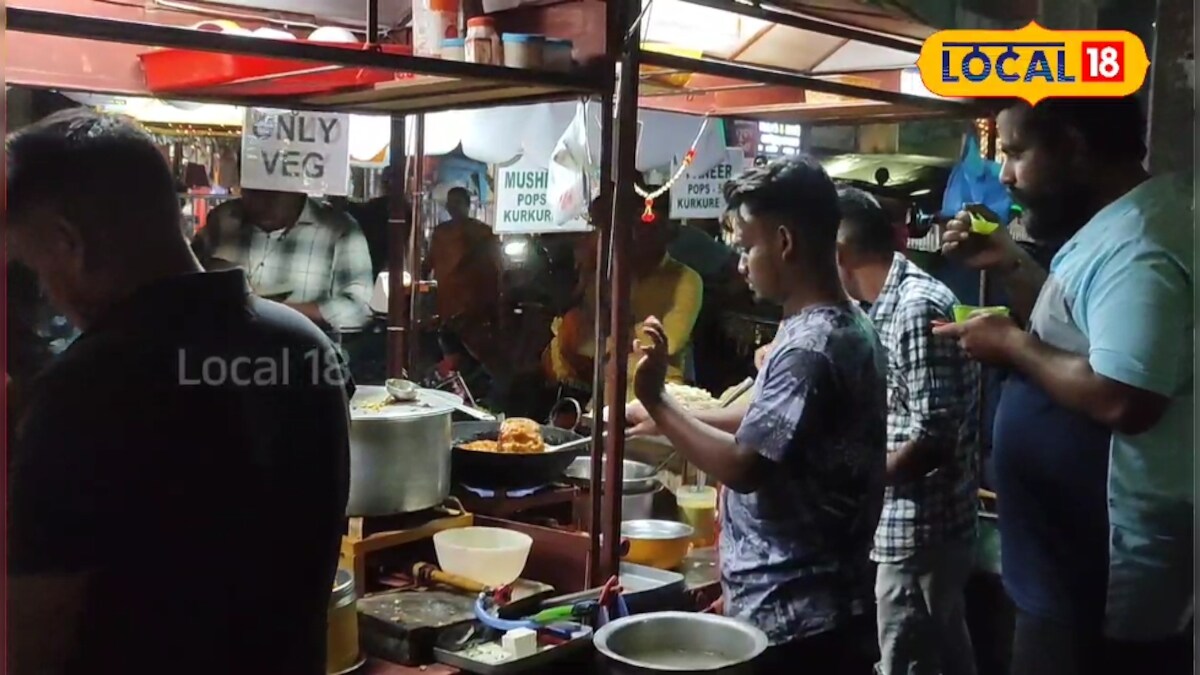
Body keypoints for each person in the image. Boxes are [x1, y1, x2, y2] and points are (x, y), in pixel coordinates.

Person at [6, 108, 351, 675]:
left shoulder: (86, 388)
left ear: (70, 243)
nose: (42, 288)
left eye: (31, 265)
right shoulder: (304, 346)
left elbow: (31, 637)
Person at [933, 98, 1194, 675]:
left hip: (1096, 578)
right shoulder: (1121, 226)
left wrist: (1011, 345)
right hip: (1065, 566)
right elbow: (1087, 328)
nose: (1004, 174)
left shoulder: (1138, 246)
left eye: (1017, 153)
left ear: (1073, 147)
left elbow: (1126, 396)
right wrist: (1008, 264)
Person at [628, 157, 887, 671]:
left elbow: (746, 465)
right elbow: (767, 421)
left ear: (786, 243)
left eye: (748, 246)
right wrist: (666, 415)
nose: (741, 264)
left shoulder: (810, 347)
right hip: (805, 605)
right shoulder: (840, 323)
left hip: (802, 623)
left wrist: (658, 398)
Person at [835, 187, 979, 675]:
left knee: (910, 661)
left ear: (839, 251)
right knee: (937, 652)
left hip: (921, 532)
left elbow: (934, 438)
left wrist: (853, 481)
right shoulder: (874, 305)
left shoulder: (917, 306)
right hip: (897, 525)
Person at [545, 190, 703, 400]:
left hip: (659, 396)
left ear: (664, 233)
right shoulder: (607, 275)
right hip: (607, 394)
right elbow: (583, 339)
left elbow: (670, 340)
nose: (637, 236)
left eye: (645, 227)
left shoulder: (686, 279)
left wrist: (614, 336)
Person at [192, 187, 374, 334]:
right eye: (253, 190)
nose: (261, 202)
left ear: (297, 188)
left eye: (272, 192)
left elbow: (357, 310)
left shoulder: (338, 229)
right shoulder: (224, 218)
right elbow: (184, 282)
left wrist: (271, 312)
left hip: (300, 360)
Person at [425, 186, 504, 366]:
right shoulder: (440, 233)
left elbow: (494, 268)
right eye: (450, 203)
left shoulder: (483, 233)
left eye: (457, 202)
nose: (453, 207)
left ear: (468, 206)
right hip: (447, 304)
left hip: (475, 306)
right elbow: (429, 263)